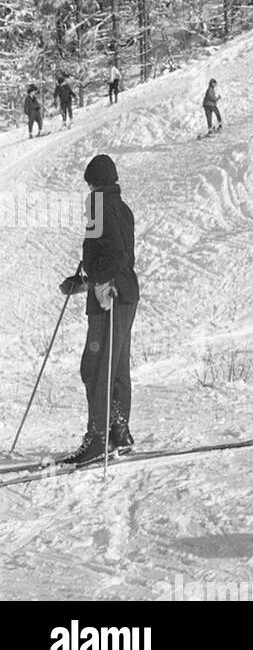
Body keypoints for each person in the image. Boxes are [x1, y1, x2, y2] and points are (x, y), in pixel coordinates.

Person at [57, 154, 140, 464]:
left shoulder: (98, 205)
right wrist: (81, 281)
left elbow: (115, 255)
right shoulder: (122, 207)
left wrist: (95, 281)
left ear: (94, 182)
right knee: (116, 366)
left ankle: (98, 439)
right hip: (125, 294)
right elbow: (109, 253)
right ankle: (119, 431)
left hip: (111, 296)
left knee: (95, 368)